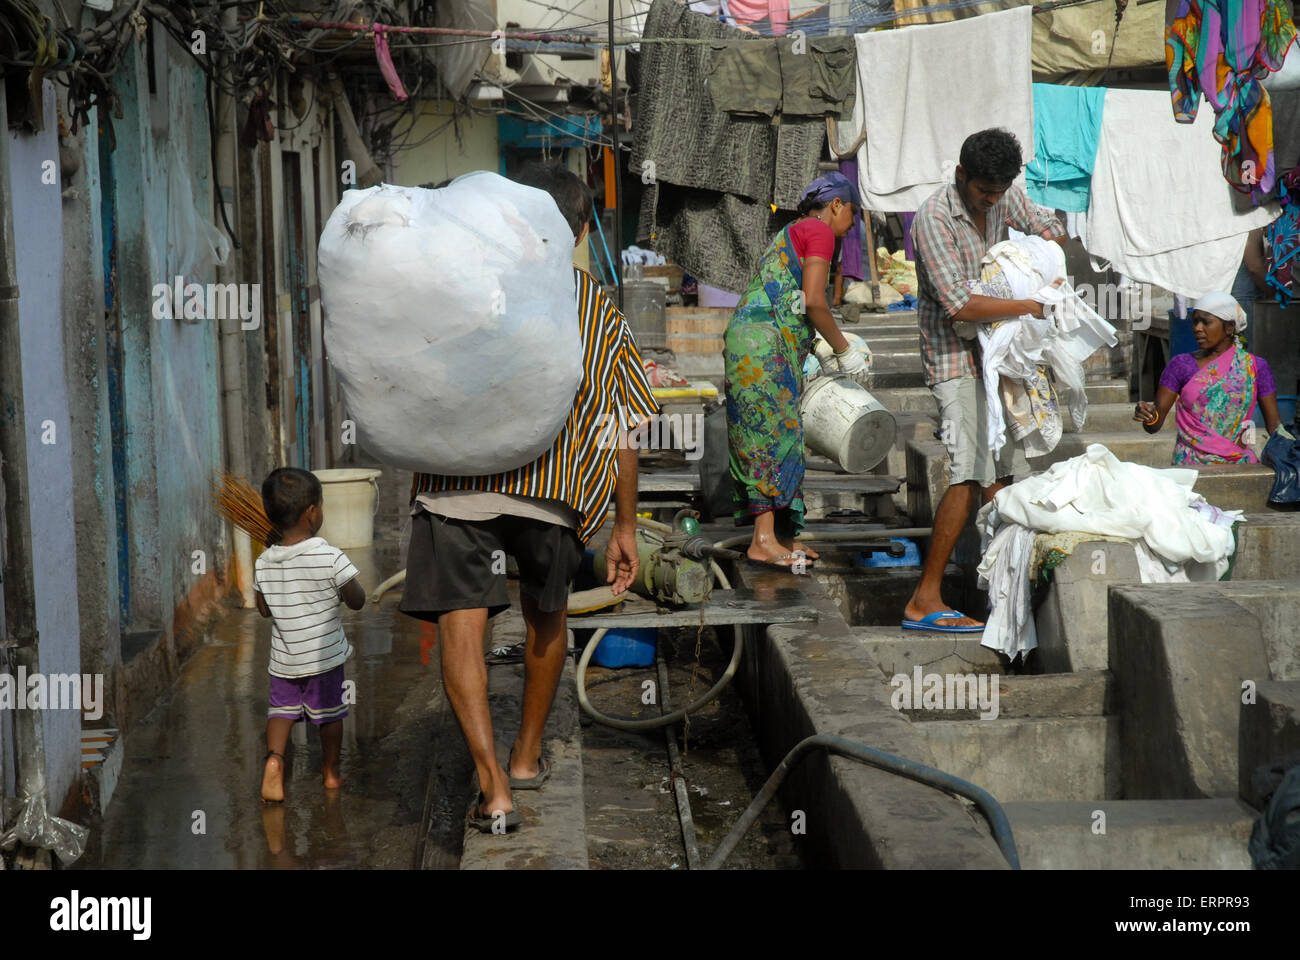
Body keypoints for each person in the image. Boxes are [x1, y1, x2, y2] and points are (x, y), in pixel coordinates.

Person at [399, 162, 659, 833]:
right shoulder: (590, 304)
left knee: (463, 622)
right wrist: (625, 525)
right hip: (552, 492)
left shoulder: (461, 288)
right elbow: (622, 421)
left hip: (457, 488)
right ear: (575, 231)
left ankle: (491, 787)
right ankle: (521, 758)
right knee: (546, 619)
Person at [902, 129, 1065, 633]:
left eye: (998, 193)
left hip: (1002, 356)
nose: (992, 201)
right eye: (983, 193)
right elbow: (961, 304)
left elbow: (1045, 224)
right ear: (960, 175)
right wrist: (1033, 304)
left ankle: (999, 591)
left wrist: (1047, 261)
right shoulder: (933, 218)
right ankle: (924, 597)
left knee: (1003, 473)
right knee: (966, 472)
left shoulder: (1005, 190)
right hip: (954, 356)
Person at [724, 171, 865, 569]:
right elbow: (816, 301)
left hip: (757, 341)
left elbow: (794, 299)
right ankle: (762, 540)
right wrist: (843, 349)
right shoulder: (819, 231)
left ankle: (782, 538)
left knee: (783, 429)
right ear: (836, 204)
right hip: (762, 347)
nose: (852, 224)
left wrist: (816, 343)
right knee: (769, 432)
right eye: (851, 212)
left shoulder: (794, 230)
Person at [254, 467, 366, 803]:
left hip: (284, 660)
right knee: (330, 715)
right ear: (312, 512)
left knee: (281, 713)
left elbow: (263, 609)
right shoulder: (330, 556)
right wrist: (340, 592)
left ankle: (274, 760)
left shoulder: (263, 561)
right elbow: (357, 600)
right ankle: (330, 773)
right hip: (324, 657)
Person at [1134, 291, 1282, 463]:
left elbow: (1274, 427)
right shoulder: (1181, 365)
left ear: (1229, 327)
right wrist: (1148, 415)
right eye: (1195, 321)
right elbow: (1154, 425)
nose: (1197, 328)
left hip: (1238, 465)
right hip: (1190, 466)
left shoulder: (1256, 367)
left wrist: (1290, 450)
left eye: (1206, 322)